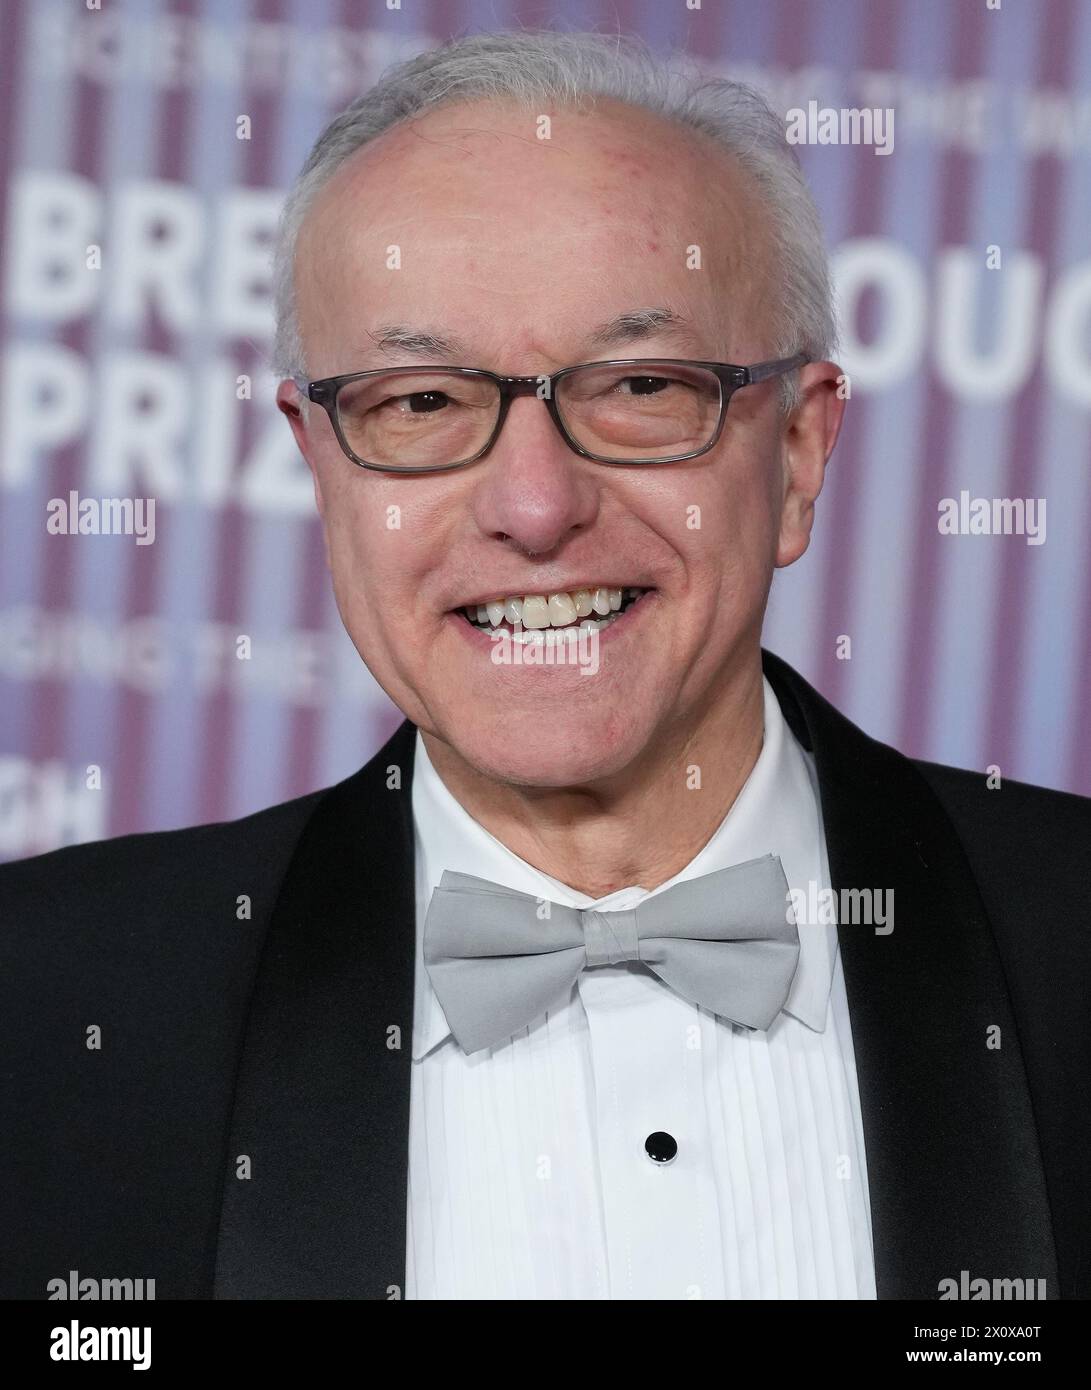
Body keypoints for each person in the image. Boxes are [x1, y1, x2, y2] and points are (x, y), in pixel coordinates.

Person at [2, 29, 1087, 1302]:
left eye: (638, 384)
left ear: (795, 452)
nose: (532, 504)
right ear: (317, 466)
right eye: (420, 402)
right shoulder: (45, 1012)